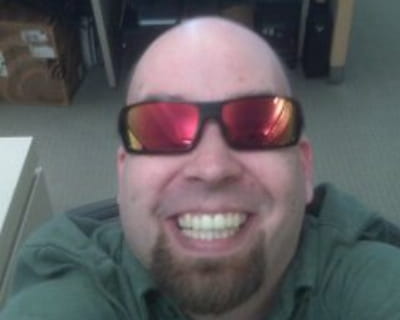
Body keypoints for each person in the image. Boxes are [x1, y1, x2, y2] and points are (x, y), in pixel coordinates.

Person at [1, 17, 400, 320]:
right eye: (161, 127)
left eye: (257, 124)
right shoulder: (70, 293)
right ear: (123, 175)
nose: (212, 168)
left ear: (304, 167)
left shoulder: (372, 281)